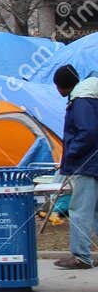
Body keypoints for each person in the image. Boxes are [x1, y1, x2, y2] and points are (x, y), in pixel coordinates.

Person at [53, 63, 98, 269]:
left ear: (63, 86)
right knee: (96, 210)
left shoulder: (81, 101)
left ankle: (81, 256)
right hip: (94, 162)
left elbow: (87, 132)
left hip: (85, 164)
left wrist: (71, 155)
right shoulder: (92, 95)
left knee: (79, 209)